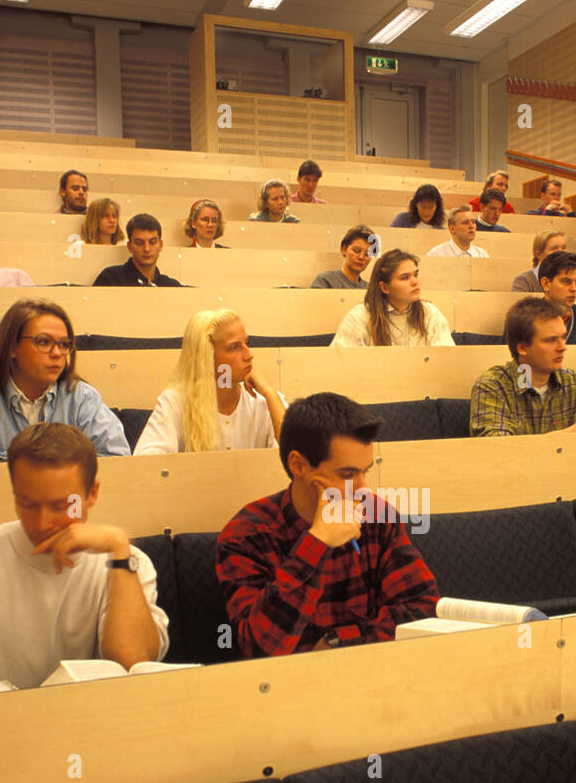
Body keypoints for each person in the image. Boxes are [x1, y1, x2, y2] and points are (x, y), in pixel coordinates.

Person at [215, 392, 440, 657]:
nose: (362, 489)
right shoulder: (246, 536)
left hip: (373, 676)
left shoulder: (376, 516)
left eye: (364, 471)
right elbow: (258, 648)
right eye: (347, 475)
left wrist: (339, 641)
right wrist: (316, 543)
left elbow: (424, 610)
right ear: (299, 466)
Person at [0, 423, 168, 694]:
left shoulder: (127, 561)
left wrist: (119, 552)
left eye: (61, 506)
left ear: (92, 494)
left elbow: (134, 663)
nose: (42, 524)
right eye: (27, 504)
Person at [0, 298, 129, 464]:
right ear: (12, 347)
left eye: (64, 344)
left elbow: (116, 463)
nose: (57, 353)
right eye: (43, 342)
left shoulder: (82, 398)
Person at [134, 310, 285, 455]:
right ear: (207, 358)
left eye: (246, 343)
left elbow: (298, 454)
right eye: (234, 347)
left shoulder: (264, 399)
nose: (249, 355)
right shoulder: (176, 401)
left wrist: (271, 394)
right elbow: (145, 462)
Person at [471, 298, 576, 437]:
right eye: (551, 340)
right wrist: (573, 433)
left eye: (563, 337)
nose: (563, 347)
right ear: (522, 347)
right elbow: (498, 451)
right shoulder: (492, 387)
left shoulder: (574, 382)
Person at [330, 249, 454, 347]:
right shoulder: (359, 317)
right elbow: (342, 366)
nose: (415, 282)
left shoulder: (430, 314)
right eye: (405, 277)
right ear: (385, 288)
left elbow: (444, 362)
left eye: (415, 275)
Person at [92, 214, 181, 287]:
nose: (147, 249)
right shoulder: (111, 278)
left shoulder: (170, 286)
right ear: (129, 246)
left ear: (161, 245)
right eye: (139, 243)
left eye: (152, 242)